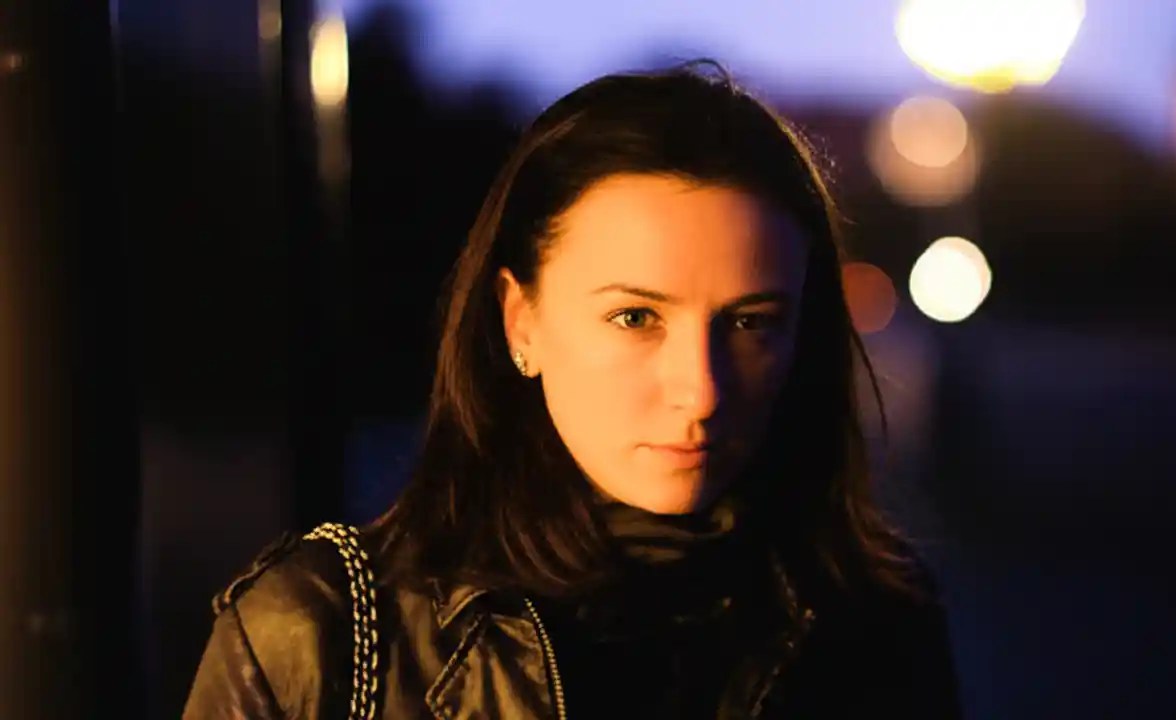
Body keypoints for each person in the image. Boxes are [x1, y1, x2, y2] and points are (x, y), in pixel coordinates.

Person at [182, 60, 962, 719]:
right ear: (521, 321)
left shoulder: (873, 619)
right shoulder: (322, 635)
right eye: (635, 317)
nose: (701, 392)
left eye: (751, 323)